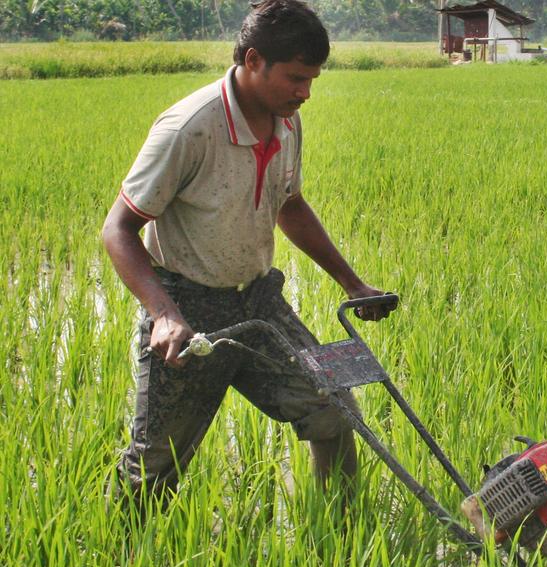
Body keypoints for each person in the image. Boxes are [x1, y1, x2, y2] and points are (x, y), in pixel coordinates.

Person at [101, 0, 391, 511]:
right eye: (296, 77)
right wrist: (164, 316)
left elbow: (290, 204)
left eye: (313, 80)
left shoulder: (286, 120)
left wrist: (353, 283)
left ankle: (343, 545)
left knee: (334, 410)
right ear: (253, 60)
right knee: (155, 465)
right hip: (187, 312)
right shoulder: (188, 129)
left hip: (259, 303)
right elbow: (118, 229)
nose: (306, 92)